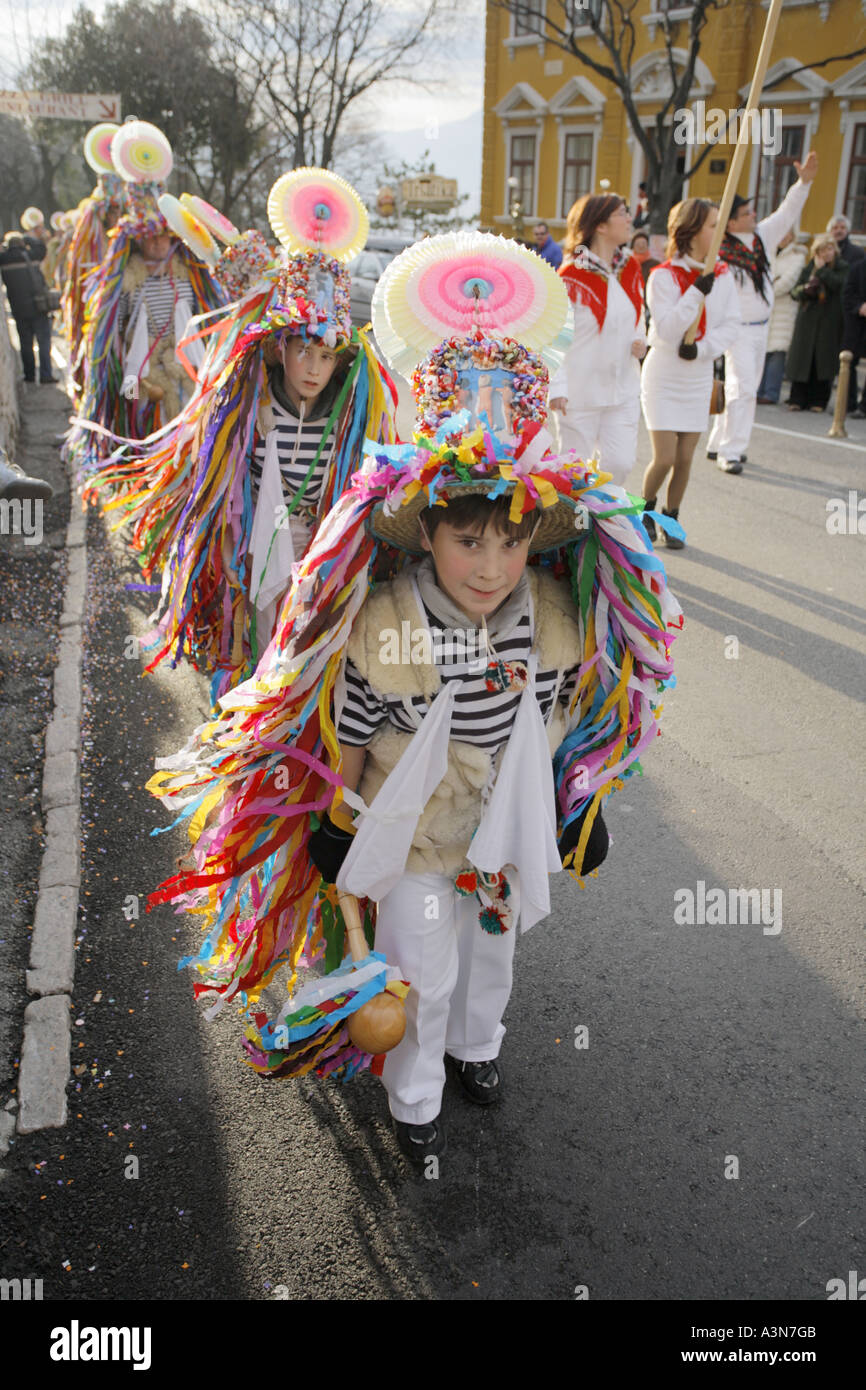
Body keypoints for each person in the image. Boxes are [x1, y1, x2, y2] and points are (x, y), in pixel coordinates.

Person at [145, 231, 682, 1166]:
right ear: (427, 534)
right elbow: (351, 733)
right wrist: (340, 820)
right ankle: (418, 1089)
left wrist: (576, 807)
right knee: (421, 965)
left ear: (536, 544)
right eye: (467, 541)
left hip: (502, 834)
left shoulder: (554, 618)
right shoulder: (384, 624)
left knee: (493, 959)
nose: (490, 564)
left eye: (509, 543)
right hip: (414, 835)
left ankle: (479, 1050)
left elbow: (563, 727)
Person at [146, 169, 397, 701]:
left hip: (320, 547)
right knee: (262, 634)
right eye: (302, 350)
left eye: (326, 355)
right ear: (279, 348)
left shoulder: (351, 419)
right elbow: (224, 486)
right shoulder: (250, 410)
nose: (313, 366)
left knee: (307, 641)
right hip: (260, 547)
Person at [706, 150, 818, 474]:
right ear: (731, 221)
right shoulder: (718, 250)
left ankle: (717, 442)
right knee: (742, 388)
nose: (753, 213)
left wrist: (803, 183)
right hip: (735, 328)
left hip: (761, 326)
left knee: (740, 387)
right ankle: (732, 450)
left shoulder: (760, 238)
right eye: (745, 211)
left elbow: (787, 212)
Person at [639, 198, 741, 547]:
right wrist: (696, 290)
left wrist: (703, 349)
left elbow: (731, 326)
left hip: (697, 374)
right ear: (692, 230)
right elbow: (666, 329)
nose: (720, 231)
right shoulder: (662, 276)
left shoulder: (725, 277)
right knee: (665, 457)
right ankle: (646, 510)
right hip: (664, 374)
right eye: (713, 224)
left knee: (685, 458)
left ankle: (672, 517)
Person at [549, 192, 646, 486]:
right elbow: (555, 337)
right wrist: (558, 386)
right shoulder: (571, 276)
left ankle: (602, 524)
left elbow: (639, 313)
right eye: (621, 213)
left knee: (620, 464)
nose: (629, 219)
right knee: (574, 473)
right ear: (600, 226)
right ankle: (575, 528)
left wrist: (639, 338)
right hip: (579, 393)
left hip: (622, 388)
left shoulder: (630, 268)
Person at [784, 234, 848, 413]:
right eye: (822, 250)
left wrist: (821, 271)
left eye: (829, 249)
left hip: (829, 323)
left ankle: (818, 400)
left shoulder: (841, 267)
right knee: (802, 361)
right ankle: (797, 398)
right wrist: (805, 289)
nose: (826, 253)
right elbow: (795, 291)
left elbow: (838, 284)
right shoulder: (810, 267)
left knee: (822, 363)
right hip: (807, 322)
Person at [756, 230, 807, 404]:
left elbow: (787, 282)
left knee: (777, 353)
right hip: (765, 308)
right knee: (762, 351)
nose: (783, 237)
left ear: (792, 236)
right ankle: (758, 389)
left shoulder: (797, 257)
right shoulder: (768, 254)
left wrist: (768, 288)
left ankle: (771, 393)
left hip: (783, 311)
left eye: (786, 234)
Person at [0, 231, 57, 384]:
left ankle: (29, 376)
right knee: (44, 342)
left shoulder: (4, 260)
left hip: (18, 310)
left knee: (26, 344)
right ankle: (46, 375)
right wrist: (26, 238)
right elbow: (41, 247)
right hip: (38, 307)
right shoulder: (32, 255)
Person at [842, 253, 866, 418]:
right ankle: (846, 403)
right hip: (857, 324)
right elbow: (848, 293)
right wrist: (860, 306)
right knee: (848, 362)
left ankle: (864, 407)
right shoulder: (858, 267)